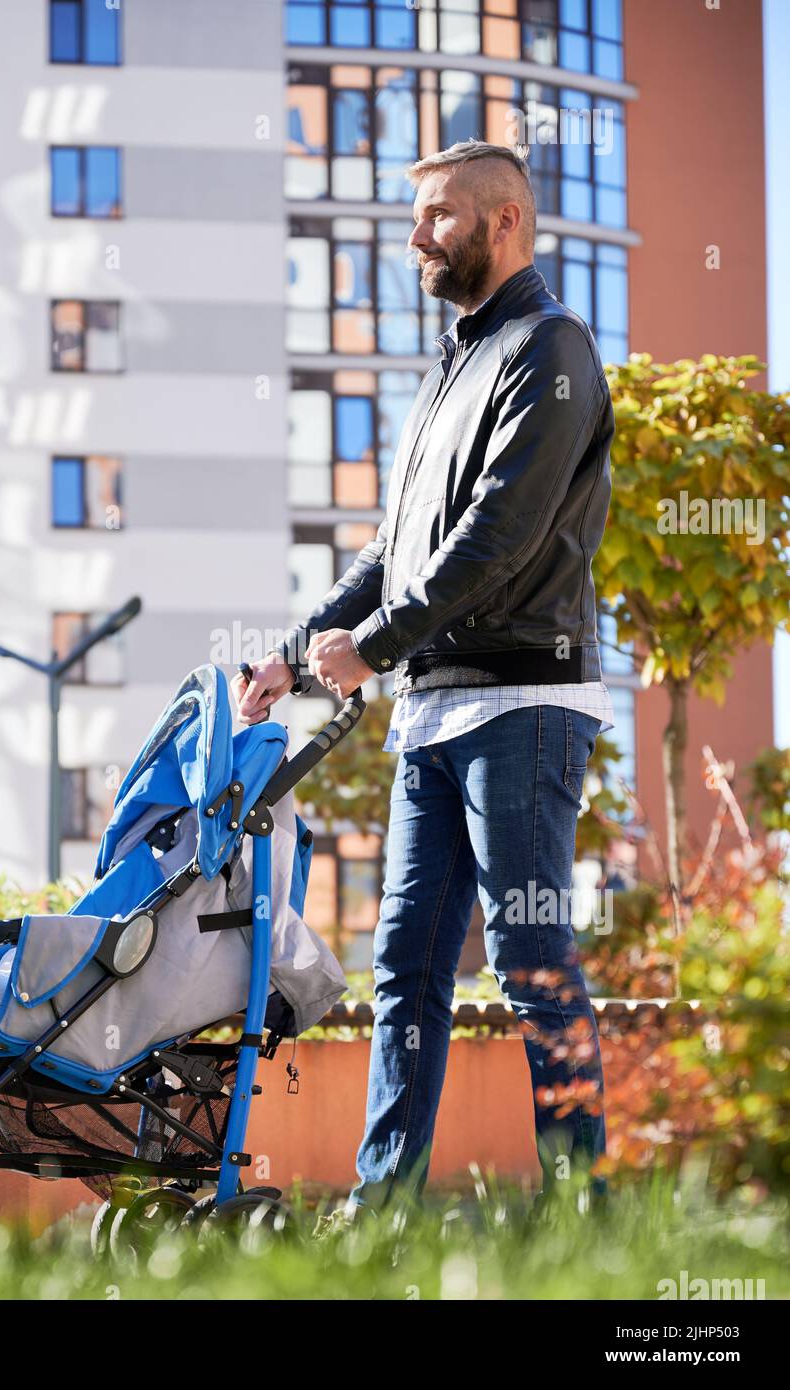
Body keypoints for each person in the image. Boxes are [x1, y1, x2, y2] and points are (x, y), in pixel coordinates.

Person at [236, 140, 614, 1209]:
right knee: (404, 966)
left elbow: (497, 537)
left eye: (437, 215)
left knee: (531, 954)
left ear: (502, 222)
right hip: (432, 714)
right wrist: (294, 648)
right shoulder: (450, 366)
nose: (414, 237)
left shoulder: (552, 350)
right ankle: (381, 1204)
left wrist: (380, 643)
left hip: (522, 702)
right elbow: (392, 549)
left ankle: (584, 1205)